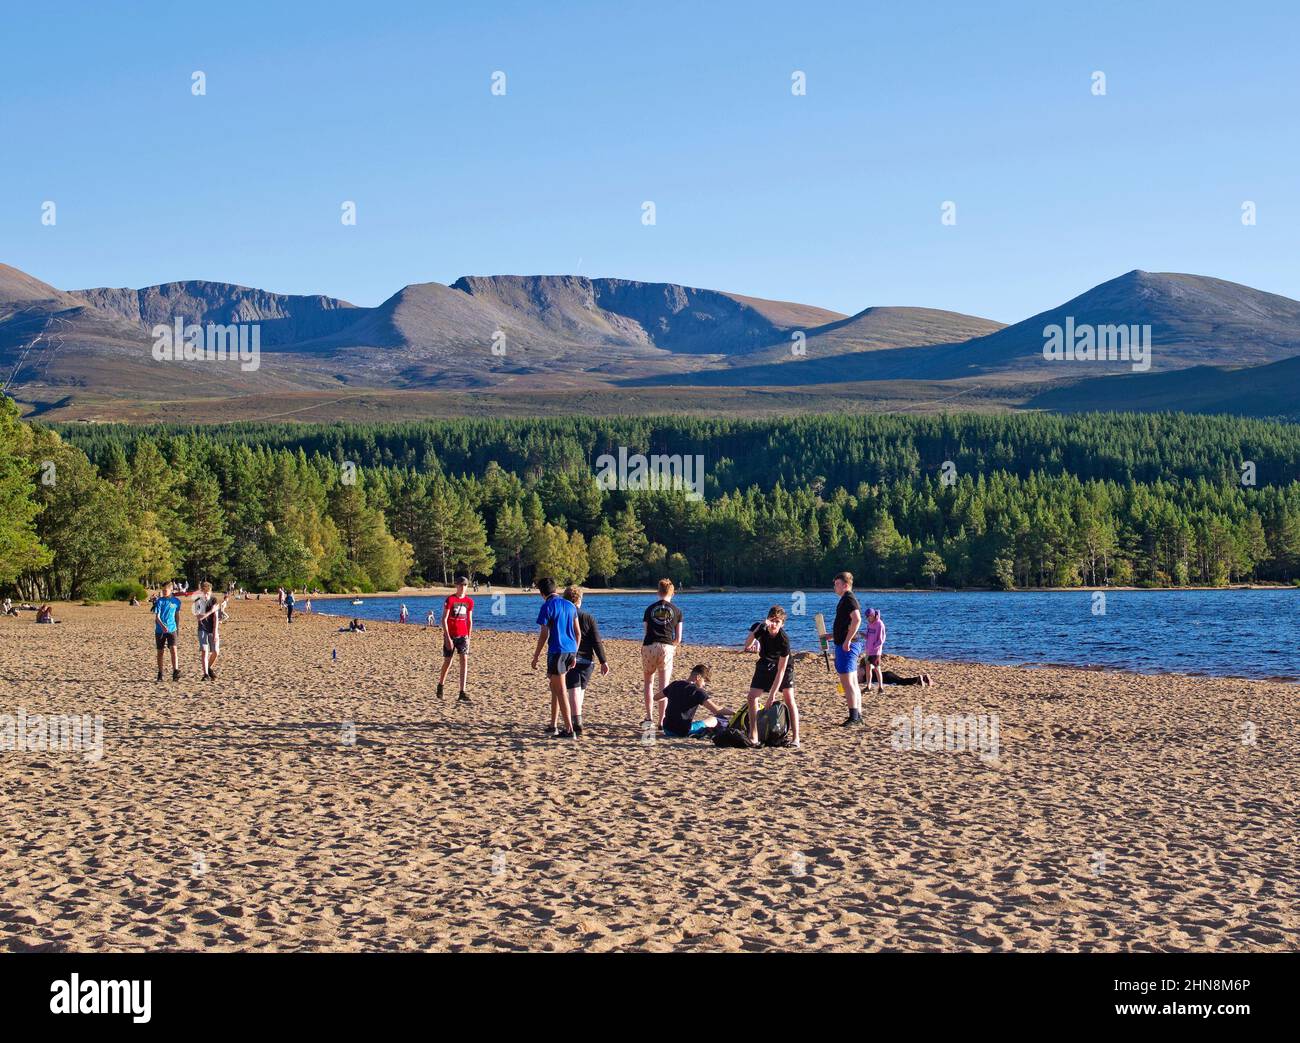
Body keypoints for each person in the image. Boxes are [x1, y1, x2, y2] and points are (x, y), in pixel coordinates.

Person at [743, 605, 800, 748]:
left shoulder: (784, 639)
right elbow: (747, 645)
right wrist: (758, 630)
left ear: (782, 624)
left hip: (784, 666)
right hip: (765, 662)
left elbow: (781, 670)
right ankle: (753, 734)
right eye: (772, 620)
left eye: (777, 622)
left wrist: (772, 695)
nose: (774, 624)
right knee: (752, 696)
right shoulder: (760, 628)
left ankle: (796, 738)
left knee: (788, 697)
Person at [531, 577, 580, 739]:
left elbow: (544, 633)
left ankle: (569, 729)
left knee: (560, 690)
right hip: (570, 650)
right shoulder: (570, 605)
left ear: (542, 593)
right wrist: (574, 653)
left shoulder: (547, 606)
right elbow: (577, 633)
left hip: (557, 651)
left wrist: (536, 655)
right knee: (555, 687)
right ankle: (553, 725)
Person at [560, 585, 609, 737]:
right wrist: (603, 661)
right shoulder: (588, 617)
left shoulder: (563, 616)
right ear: (579, 600)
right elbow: (596, 641)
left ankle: (577, 721)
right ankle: (577, 717)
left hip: (570, 657)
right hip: (588, 660)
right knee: (580, 690)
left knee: (573, 689)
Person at [640, 578, 683, 727]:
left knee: (648, 682)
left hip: (649, 646)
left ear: (658, 592)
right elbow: (678, 638)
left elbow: (646, 632)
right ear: (673, 593)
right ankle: (661, 720)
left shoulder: (649, 609)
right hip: (666, 647)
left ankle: (649, 717)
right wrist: (673, 646)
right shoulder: (677, 611)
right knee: (664, 687)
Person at [655, 664, 726, 738]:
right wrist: (734, 713)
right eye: (704, 681)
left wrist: (671, 696)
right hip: (683, 731)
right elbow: (716, 710)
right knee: (716, 719)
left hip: (667, 729)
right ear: (698, 677)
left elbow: (656, 698)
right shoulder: (697, 692)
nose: (704, 684)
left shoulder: (674, 684)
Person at [832, 571, 865, 726]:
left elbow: (857, 619)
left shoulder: (849, 598)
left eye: (837, 584)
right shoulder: (845, 599)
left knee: (848, 682)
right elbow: (845, 625)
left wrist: (847, 641)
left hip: (848, 646)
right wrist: (831, 635)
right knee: (852, 682)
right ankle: (858, 715)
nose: (834, 587)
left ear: (845, 585)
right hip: (846, 643)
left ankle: (854, 717)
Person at [437, 575, 474, 702]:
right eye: (460, 585)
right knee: (448, 661)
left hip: (463, 635)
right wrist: (447, 637)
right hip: (451, 635)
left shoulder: (469, 601)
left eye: (465, 585)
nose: (462, 587)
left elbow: (469, 620)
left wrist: (468, 637)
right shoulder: (450, 600)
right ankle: (441, 684)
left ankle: (462, 692)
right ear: (456, 586)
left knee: (464, 660)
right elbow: (444, 619)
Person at [193, 581, 227, 681]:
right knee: (204, 650)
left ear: (211, 592)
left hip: (212, 629)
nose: (206, 595)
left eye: (208, 593)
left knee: (216, 651)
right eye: (204, 593)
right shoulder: (198, 601)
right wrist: (211, 611)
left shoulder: (214, 600)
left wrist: (215, 632)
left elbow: (216, 618)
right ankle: (206, 674)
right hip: (202, 629)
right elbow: (199, 618)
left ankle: (208, 667)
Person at [153, 582, 182, 681]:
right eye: (163, 590)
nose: (164, 592)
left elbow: (177, 616)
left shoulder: (176, 602)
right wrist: (162, 626)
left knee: (173, 650)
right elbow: (157, 617)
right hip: (160, 630)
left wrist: (177, 628)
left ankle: (175, 671)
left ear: (171, 590)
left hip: (172, 629)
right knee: (160, 652)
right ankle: (160, 673)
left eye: (166, 590)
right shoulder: (159, 601)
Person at [858, 655, 932, 688]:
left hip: (886, 678)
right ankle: (923, 678)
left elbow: (860, 680)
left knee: (901, 682)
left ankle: (918, 679)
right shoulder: (872, 666)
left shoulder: (862, 669)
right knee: (901, 680)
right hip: (887, 674)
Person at [861, 607, 887, 694]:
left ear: (873, 615)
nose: (868, 619)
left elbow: (881, 640)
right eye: (867, 617)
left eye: (869, 617)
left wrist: (874, 647)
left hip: (876, 652)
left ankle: (881, 687)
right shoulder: (869, 624)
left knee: (877, 668)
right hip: (868, 651)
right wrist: (863, 635)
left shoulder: (880, 624)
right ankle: (868, 686)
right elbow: (868, 637)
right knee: (867, 668)